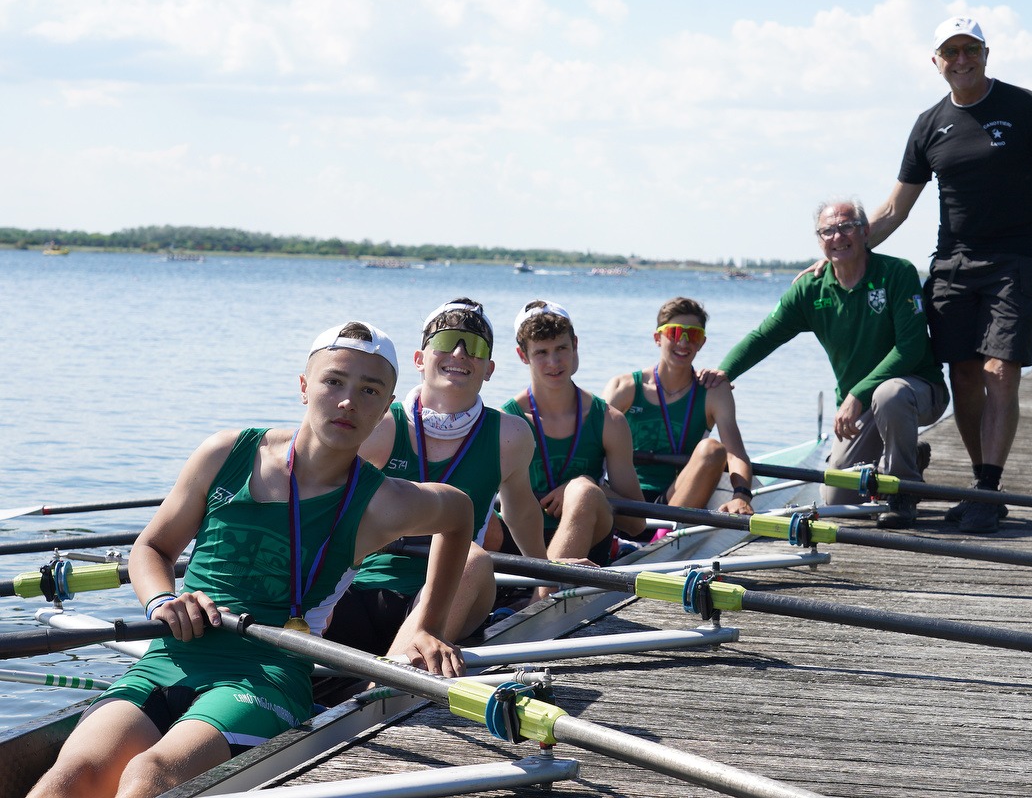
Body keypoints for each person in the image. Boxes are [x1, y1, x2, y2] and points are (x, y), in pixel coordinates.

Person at [30, 322, 473, 798]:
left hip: (268, 674)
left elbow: (460, 514)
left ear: (386, 407)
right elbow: (152, 548)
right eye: (333, 381)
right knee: (68, 778)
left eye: (369, 390)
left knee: (149, 776)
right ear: (304, 386)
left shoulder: (381, 502)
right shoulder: (226, 453)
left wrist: (429, 624)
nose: (348, 401)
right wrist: (161, 600)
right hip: (171, 654)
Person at [867, 16, 1032, 532]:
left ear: (986, 54)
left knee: (999, 370)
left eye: (970, 49)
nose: (961, 59)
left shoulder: (1026, 107)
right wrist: (843, 250)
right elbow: (894, 209)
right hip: (953, 265)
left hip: (1017, 261)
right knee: (963, 375)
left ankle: (986, 489)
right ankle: (982, 485)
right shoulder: (929, 123)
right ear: (935, 62)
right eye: (951, 51)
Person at [323, 299, 549, 661]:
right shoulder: (381, 427)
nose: (459, 353)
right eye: (445, 341)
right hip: (367, 585)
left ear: (489, 369)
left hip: (458, 589)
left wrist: (546, 577)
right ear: (419, 359)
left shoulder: (510, 435)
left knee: (473, 556)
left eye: (474, 347)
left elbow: (520, 511)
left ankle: (385, 683)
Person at [718, 200, 948, 529]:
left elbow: (910, 349)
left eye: (846, 227)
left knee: (889, 394)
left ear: (865, 232)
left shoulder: (897, 272)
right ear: (819, 240)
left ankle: (903, 491)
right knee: (838, 501)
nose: (837, 236)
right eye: (828, 231)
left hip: (918, 390)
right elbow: (764, 336)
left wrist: (856, 394)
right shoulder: (811, 289)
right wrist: (723, 373)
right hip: (862, 405)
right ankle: (907, 455)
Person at [499, 300, 646, 561]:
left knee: (584, 492)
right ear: (523, 355)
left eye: (561, 348)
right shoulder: (507, 421)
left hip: (589, 538)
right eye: (541, 352)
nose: (554, 362)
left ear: (575, 344)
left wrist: (587, 486)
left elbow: (636, 523)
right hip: (521, 541)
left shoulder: (609, 421)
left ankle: (544, 586)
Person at [602, 297, 755, 530]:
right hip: (625, 499)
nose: (683, 342)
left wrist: (741, 496)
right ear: (657, 338)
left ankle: (663, 536)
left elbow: (735, 455)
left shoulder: (715, 391)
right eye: (674, 333)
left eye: (693, 335)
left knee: (713, 450)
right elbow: (589, 443)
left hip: (675, 498)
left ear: (702, 342)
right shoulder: (624, 387)